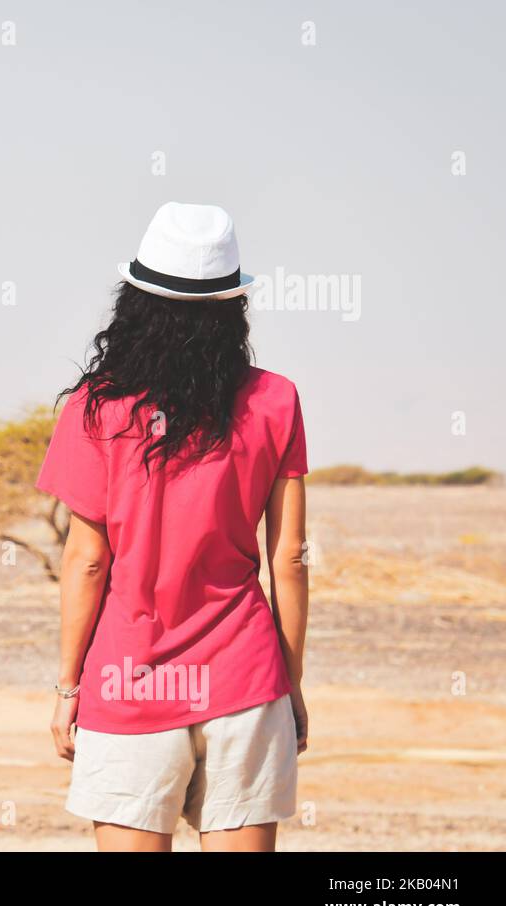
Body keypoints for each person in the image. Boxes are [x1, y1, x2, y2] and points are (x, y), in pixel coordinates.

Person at [37, 202, 309, 852]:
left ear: (135, 301)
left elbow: (87, 562)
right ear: (233, 306)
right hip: (244, 680)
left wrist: (69, 686)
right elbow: (290, 559)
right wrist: (291, 685)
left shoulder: (96, 409)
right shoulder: (276, 400)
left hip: (126, 683)